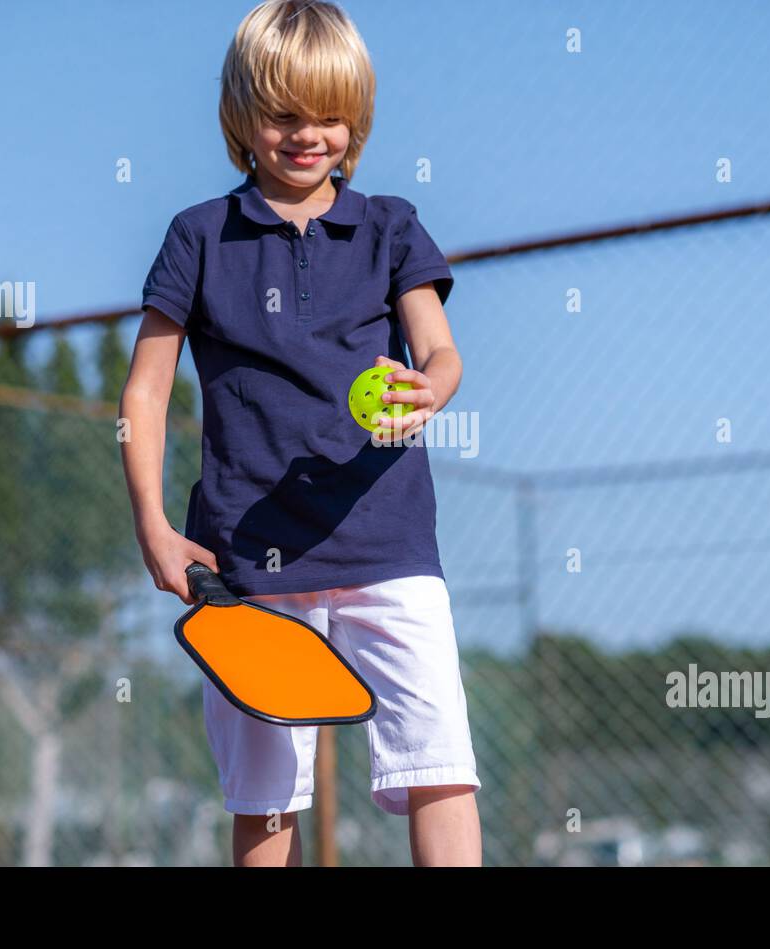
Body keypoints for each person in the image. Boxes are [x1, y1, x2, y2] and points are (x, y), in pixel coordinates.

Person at [120, 0, 481, 866]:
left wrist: (427, 388)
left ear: (355, 122)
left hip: (390, 549)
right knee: (266, 797)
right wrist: (155, 527)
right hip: (247, 564)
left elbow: (440, 353)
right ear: (244, 116)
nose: (308, 133)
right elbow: (145, 390)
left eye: (330, 114)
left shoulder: (391, 225)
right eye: (285, 113)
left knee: (440, 769)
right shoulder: (197, 237)